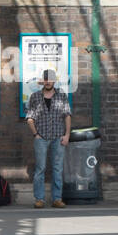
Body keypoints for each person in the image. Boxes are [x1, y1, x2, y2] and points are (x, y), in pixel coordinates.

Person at [26, 69, 71, 208]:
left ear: (54, 80)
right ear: (42, 81)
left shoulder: (62, 95)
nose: (48, 82)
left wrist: (67, 135)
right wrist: (36, 135)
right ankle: (39, 199)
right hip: (41, 138)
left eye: (50, 79)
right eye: (45, 79)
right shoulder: (34, 96)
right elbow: (29, 118)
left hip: (58, 137)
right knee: (40, 168)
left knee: (57, 168)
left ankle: (57, 199)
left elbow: (67, 115)